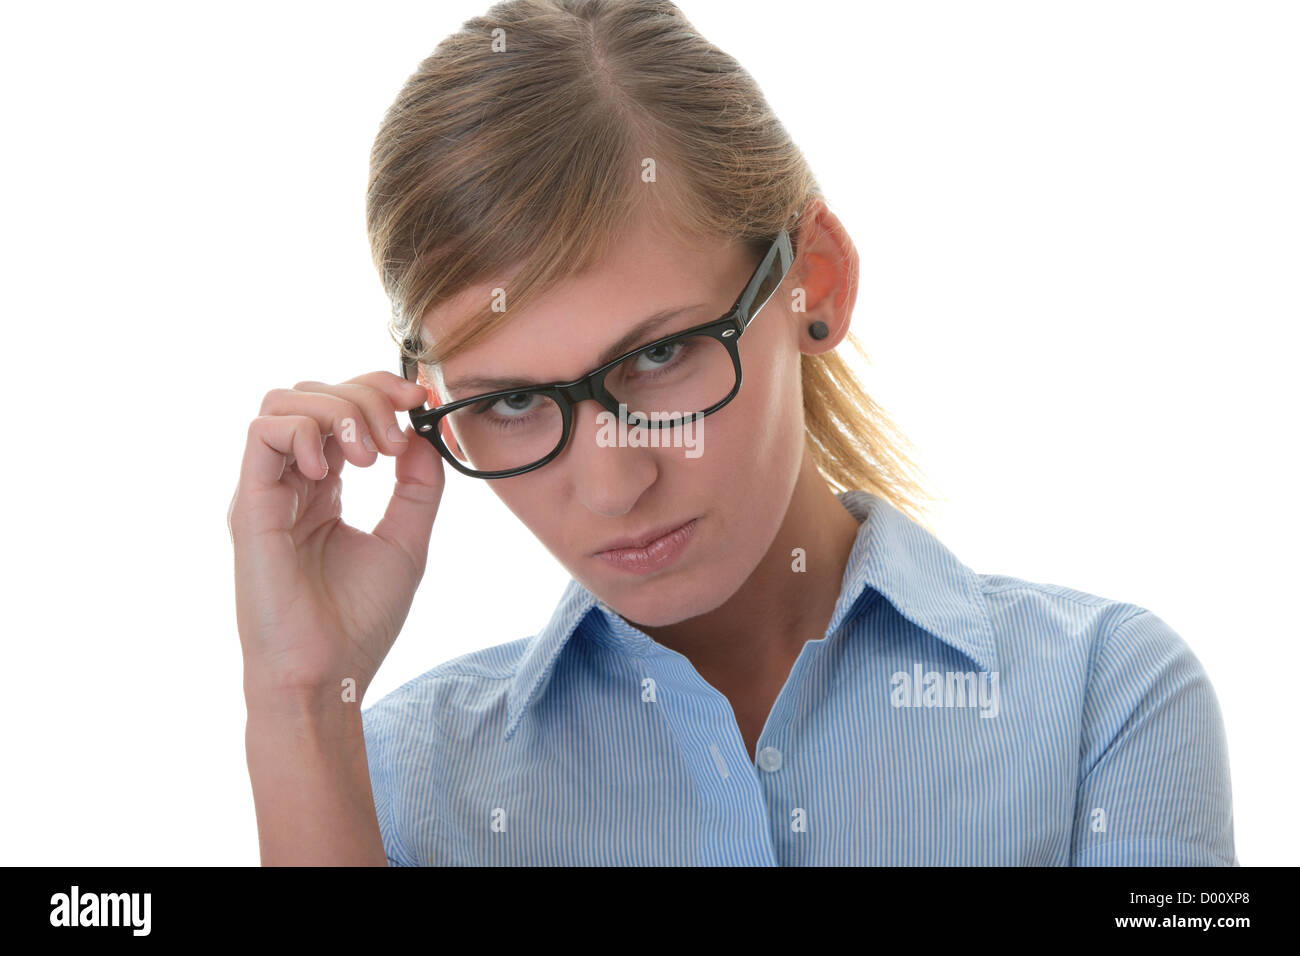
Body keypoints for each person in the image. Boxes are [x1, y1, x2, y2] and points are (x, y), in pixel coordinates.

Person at [228, 0, 1237, 866]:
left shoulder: (1104, 698)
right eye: (512, 402)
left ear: (817, 280)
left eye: (660, 354)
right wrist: (301, 699)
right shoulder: (401, 782)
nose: (613, 482)